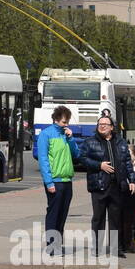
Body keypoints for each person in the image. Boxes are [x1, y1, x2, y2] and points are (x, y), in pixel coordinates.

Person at [77, 114, 135, 257]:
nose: (102, 126)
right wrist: (99, 165)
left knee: (115, 219)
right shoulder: (90, 142)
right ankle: (97, 249)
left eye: (105, 124)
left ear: (112, 127)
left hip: (117, 186)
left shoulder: (120, 142)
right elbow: (82, 158)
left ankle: (116, 248)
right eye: (100, 124)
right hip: (99, 185)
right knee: (99, 218)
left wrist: (132, 180)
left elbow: (127, 162)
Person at [35, 106, 80, 256]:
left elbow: (76, 154)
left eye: (67, 122)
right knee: (54, 213)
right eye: (63, 122)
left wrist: (71, 139)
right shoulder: (46, 135)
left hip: (67, 180)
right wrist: (49, 182)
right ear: (56, 119)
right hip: (55, 180)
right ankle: (51, 245)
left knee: (63, 214)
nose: (66, 124)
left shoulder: (66, 135)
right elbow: (43, 159)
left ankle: (58, 244)